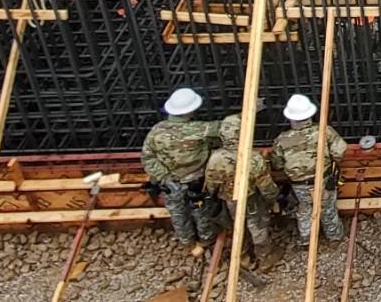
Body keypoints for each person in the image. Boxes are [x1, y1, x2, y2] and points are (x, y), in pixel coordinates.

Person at [141, 87, 217, 248]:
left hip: (170, 184)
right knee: (201, 211)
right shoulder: (200, 129)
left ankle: (187, 242)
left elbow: (148, 158)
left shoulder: (156, 132)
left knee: (178, 214)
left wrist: (165, 178)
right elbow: (224, 130)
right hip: (197, 181)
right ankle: (207, 239)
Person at [269, 93, 348, 245]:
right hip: (323, 180)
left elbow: (277, 163)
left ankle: (306, 239)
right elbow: (340, 151)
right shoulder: (324, 131)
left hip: (299, 185)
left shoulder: (281, 140)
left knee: (304, 210)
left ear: (291, 118)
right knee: (328, 208)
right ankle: (334, 237)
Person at [204, 112, 279, 268]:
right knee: (257, 226)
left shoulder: (215, 158)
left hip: (229, 199)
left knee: (237, 225)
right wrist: (272, 199)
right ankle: (264, 257)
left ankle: (243, 256)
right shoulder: (253, 158)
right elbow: (266, 186)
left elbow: (211, 184)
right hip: (251, 198)